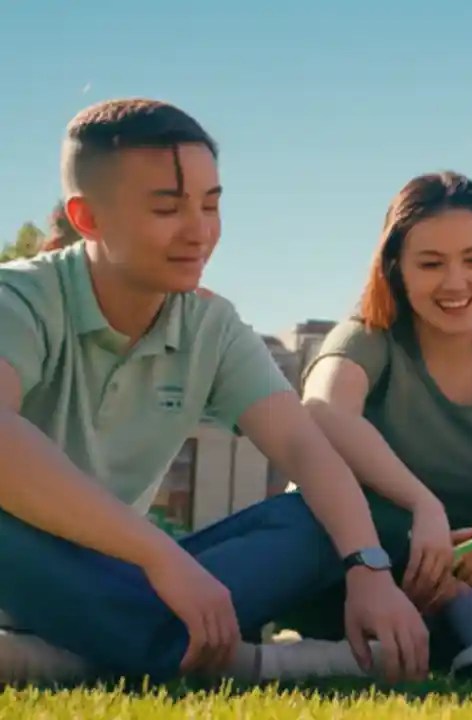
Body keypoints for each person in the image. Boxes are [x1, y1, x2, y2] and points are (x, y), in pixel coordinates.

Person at [0, 99, 429, 685]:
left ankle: (60, 656)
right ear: (88, 218)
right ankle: (266, 663)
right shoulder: (20, 299)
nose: (199, 232)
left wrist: (368, 568)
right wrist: (158, 554)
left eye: (211, 204)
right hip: (25, 561)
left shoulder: (212, 327)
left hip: (117, 581)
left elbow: (306, 450)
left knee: (323, 522)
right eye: (167, 208)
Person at [282, 171, 472, 675]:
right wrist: (421, 503)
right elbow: (323, 410)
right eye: (431, 263)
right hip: (349, 561)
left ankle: (442, 634)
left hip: (459, 569)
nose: (456, 283)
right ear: (396, 269)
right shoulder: (368, 339)